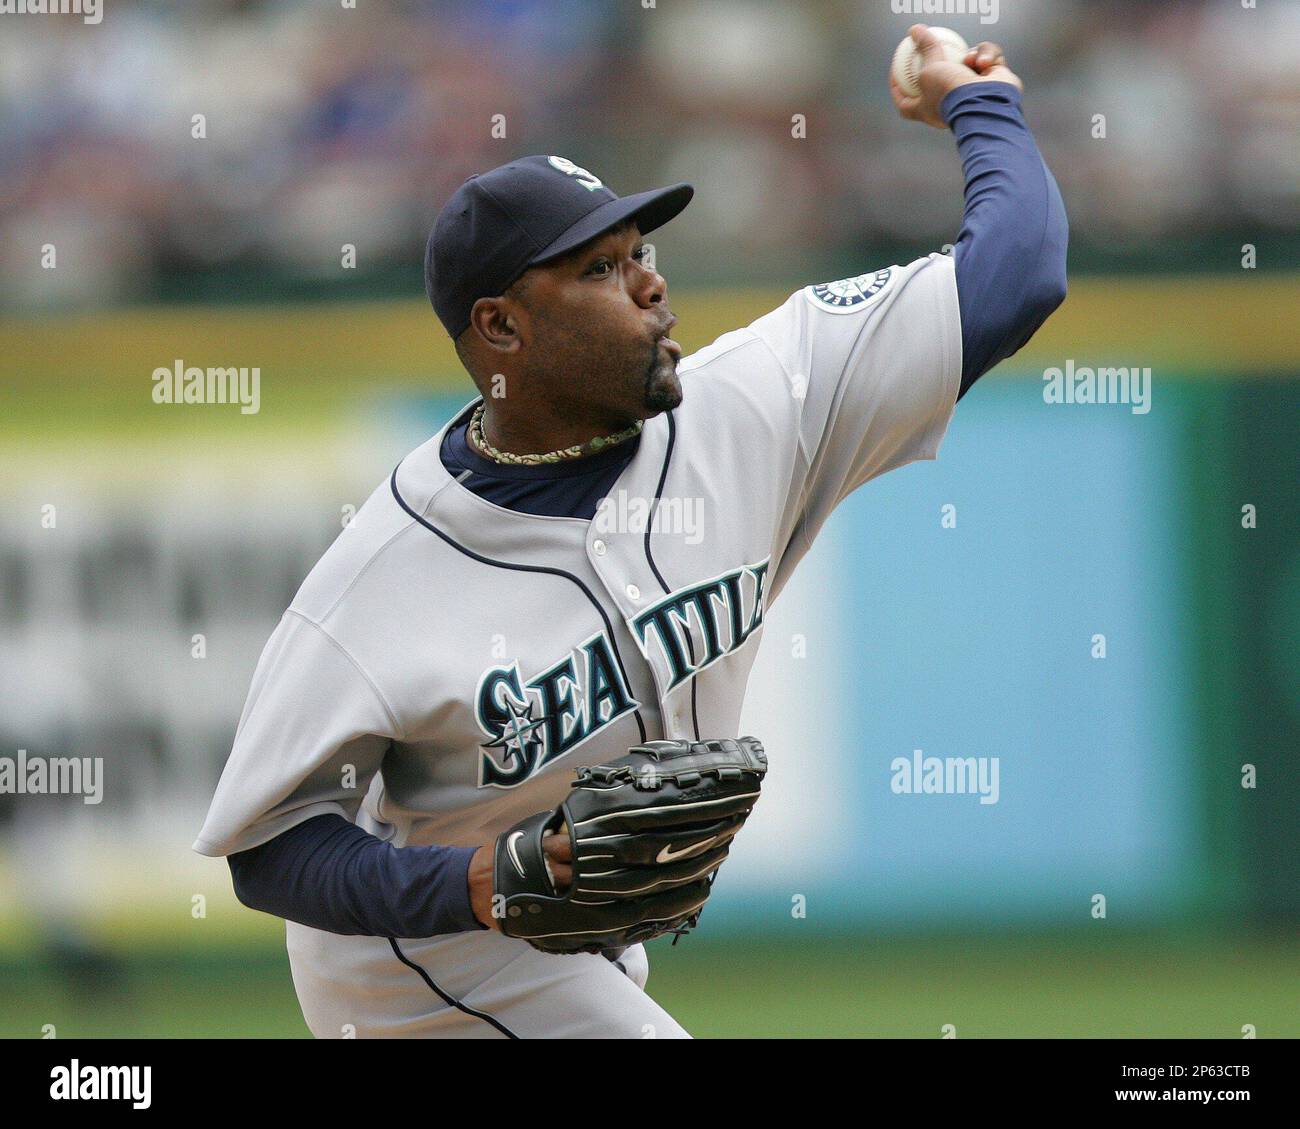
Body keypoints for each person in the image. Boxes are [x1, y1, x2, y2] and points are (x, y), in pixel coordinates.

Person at [194, 26, 1067, 1038]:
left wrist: (977, 100)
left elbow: (1017, 273)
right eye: (602, 269)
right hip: (419, 961)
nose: (651, 284)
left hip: (584, 948)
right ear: (502, 328)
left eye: (640, 251)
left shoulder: (756, 404)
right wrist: (481, 880)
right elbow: (272, 849)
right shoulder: (379, 581)